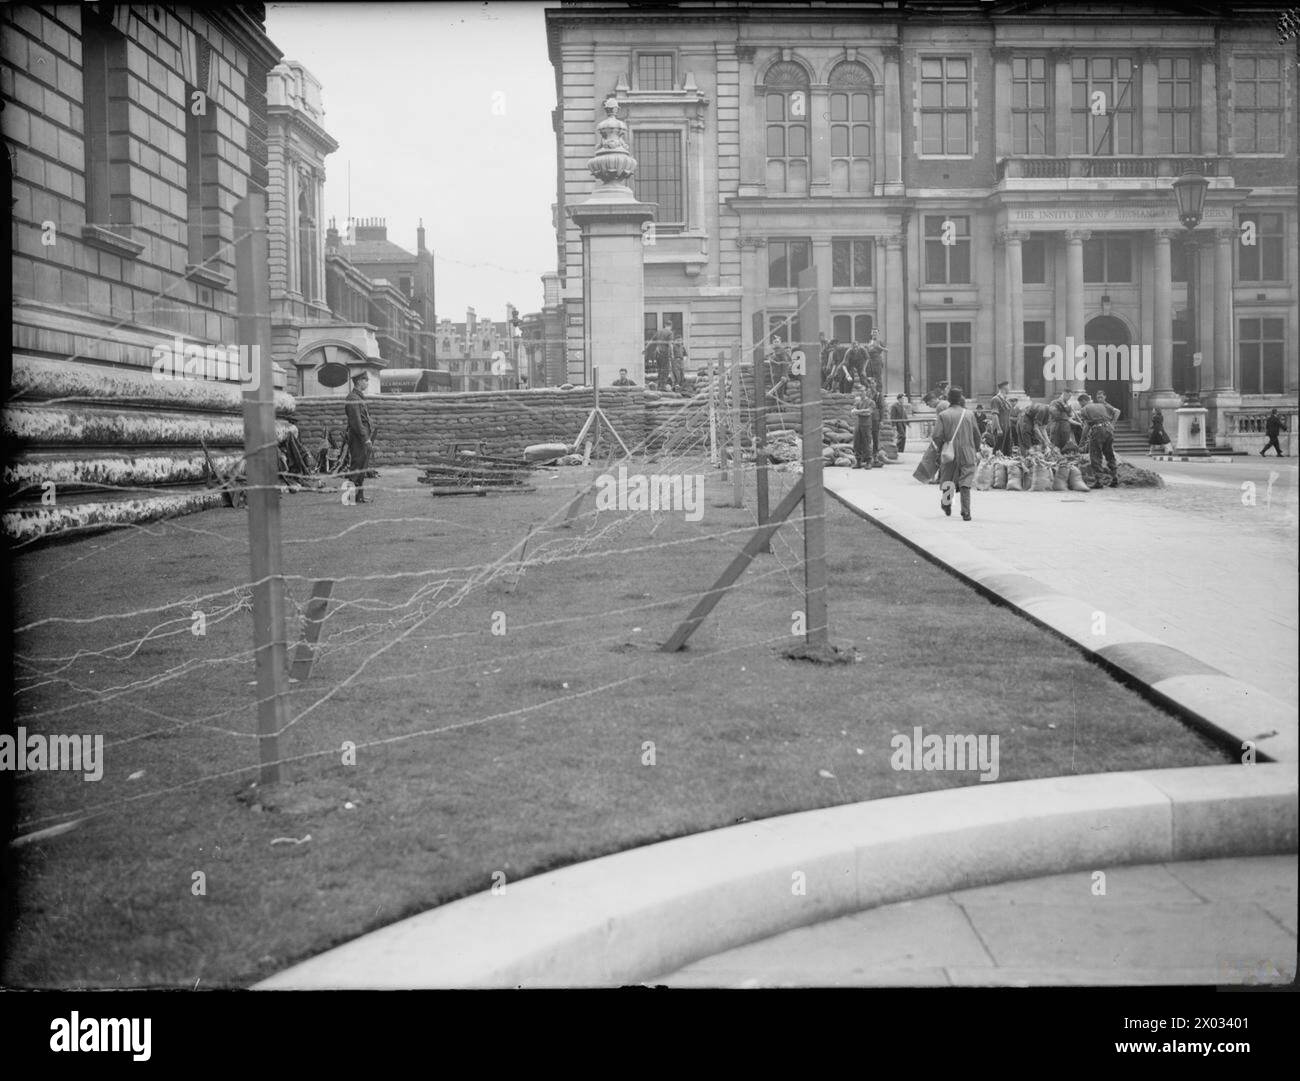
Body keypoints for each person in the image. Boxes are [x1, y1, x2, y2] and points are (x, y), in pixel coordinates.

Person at [930, 386, 980, 521]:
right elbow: (977, 435)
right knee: (966, 481)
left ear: (948, 399)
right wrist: (977, 450)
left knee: (948, 478)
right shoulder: (969, 414)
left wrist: (939, 451)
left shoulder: (943, 415)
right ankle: (966, 512)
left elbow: (937, 436)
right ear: (961, 399)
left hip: (949, 451)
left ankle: (946, 503)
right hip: (967, 451)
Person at [344, 371, 374, 504]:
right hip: (358, 438)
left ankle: (359, 496)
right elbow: (356, 422)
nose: (367, 383)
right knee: (356, 466)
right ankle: (348, 498)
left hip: (361, 437)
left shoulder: (358, 397)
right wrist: (365, 438)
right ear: (358, 382)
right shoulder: (353, 398)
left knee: (362, 466)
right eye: (365, 380)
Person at [1080, 391, 1121, 488]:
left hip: (1098, 431)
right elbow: (1117, 411)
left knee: (1095, 455)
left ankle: (1099, 481)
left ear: (1084, 401)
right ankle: (1115, 478)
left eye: (1080, 403)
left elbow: (1086, 426)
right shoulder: (1102, 405)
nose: (1080, 406)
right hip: (1108, 430)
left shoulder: (1084, 409)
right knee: (1109, 453)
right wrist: (1112, 424)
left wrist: (1082, 440)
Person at [850, 382, 878, 468]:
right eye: (860, 391)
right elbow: (852, 412)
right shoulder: (858, 402)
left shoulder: (871, 402)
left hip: (866, 425)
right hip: (858, 425)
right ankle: (858, 461)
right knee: (856, 443)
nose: (861, 393)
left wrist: (858, 412)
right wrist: (861, 412)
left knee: (866, 443)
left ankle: (868, 462)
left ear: (866, 392)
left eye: (863, 391)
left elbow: (868, 412)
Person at [991, 381, 1014, 455]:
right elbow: (995, 415)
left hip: (1007, 427)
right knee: (998, 450)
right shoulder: (996, 399)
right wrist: (998, 429)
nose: (1009, 389)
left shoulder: (1005, 400)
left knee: (1007, 449)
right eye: (1008, 386)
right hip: (1000, 428)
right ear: (1004, 387)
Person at [768, 337, 791, 401]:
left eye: (777, 342)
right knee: (776, 393)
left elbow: (785, 363)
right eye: (775, 342)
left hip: (780, 376)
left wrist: (784, 375)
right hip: (775, 375)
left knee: (779, 393)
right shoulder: (774, 352)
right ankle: (777, 408)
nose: (776, 343)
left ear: (780, 343)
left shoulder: (782, 352)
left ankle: (781, 408)